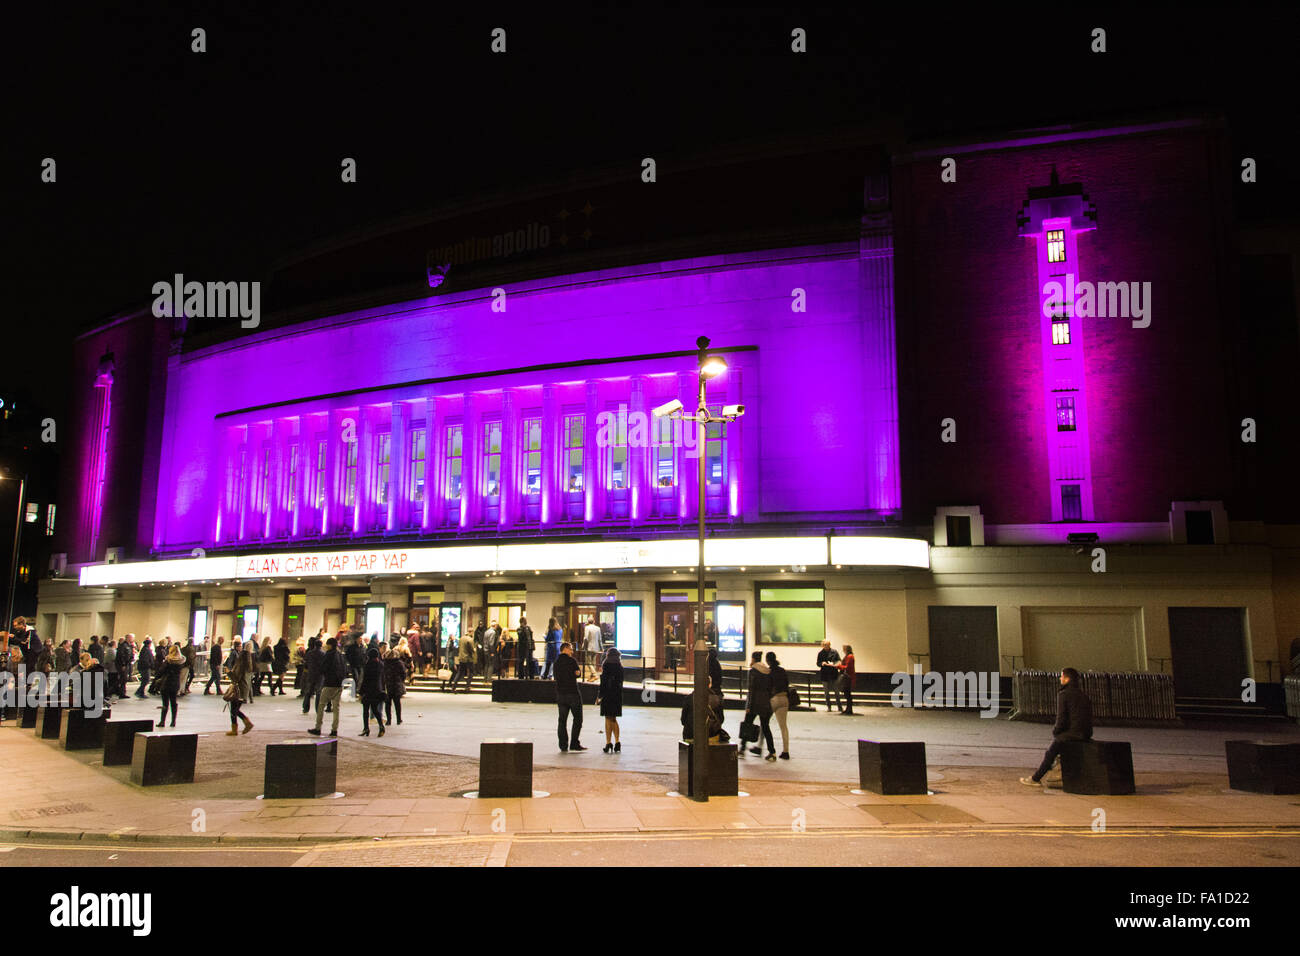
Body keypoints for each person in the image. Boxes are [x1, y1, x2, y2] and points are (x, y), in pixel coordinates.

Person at [1021, 667, 1094, 787]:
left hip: (1072, 734)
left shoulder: (1064, 694)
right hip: (1086, 733)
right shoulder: (1083, 695)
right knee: (1057, 748)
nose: (1060, 678)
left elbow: (1061, 718)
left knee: (1051, 751)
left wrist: (1056, 732)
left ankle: (1035, 778)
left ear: (1067, 679)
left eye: (1062, 676)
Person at [742, 651, 777, 761]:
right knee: (765, 727)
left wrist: (748, 706)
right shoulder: (768, 671)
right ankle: (772, 752)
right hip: (766, 703)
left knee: (747, 724)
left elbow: (751, 689)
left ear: (753, 659)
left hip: (755, 703)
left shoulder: (753, 671)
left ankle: (742, 748)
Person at [308, 637, 346, 736]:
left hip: (329, 683)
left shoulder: (329, 654)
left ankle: (318, 727)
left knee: (321, 705)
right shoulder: (340, 654)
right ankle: (334, 730)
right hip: (339, 684)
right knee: (336, 708)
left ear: (330, 645)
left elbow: (323, 668)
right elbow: (344, 668)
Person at [554, 642, 586, 752]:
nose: (572, 652)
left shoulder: (556, 662)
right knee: (577, 719)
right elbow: (577, 673)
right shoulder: (572, 661)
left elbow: (556, 677)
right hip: (572, 693)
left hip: (561, 694)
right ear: (565, 649)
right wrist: (574, 674)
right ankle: (574, 743)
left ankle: (563, 745)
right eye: (571, 649)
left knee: (562, 720)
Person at [598, 646, 624, 753]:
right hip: (617, 695)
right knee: (613, 718)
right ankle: (617, 742)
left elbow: (603, 682)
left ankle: (608, 743)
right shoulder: (620, 667)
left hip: (607, 695)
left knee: (608, 718)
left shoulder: (606, 665)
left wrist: (599, 696)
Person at [224, 646, 254, 736]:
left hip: (238, 690)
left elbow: (236, 678)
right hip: (244, 690)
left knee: (234, 710)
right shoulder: (249, 666)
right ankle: (242, 725)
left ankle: (243, 725)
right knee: (235, 710)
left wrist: (228, 672)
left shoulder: (241, 666)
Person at [767, 651, 791, 759]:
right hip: (784, 698)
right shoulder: (782, 671)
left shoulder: (769, 671)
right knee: (783, 727)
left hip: (774, 699)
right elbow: (787, 684)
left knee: (765, 723)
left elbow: (768, 686)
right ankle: (786, 751)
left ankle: (766, 749)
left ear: (767, 660)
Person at [358, 646, 386, 737]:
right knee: (375, 710)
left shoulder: (368, 664)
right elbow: (382, 678)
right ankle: (381, 726)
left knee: (366, 710)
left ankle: (366, 728)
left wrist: (361, 692)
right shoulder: (381, 664)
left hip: (368, 691)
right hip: (377, 690)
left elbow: (365, 679)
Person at [157, 645, 184, 727]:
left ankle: (162, 721)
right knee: (174, 702)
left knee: (165, 703)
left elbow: (161, 671)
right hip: (175, 683)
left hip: (166, 682)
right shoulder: (181, 661)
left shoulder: (168, 660)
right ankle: (173, 721)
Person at [383, 645, 407, 726]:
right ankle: (398, 719)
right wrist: (401, 681)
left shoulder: (385, 663)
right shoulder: (399, 663)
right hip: (397, 684)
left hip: (388, 685)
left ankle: (389, 720)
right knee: (397, 703)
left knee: (387, 703)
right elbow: (403, 674)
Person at [816, 639, 842, 712]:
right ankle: (829, 706)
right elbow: (818, 663)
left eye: (827, 645)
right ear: (823, 645)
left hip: (833, 673)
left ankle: (839, 706)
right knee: (826, 692)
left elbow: (839, 660)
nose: (826, 646)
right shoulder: (820, 653)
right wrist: (822, 663)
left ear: (829, 645)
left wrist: (834, 664)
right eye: (825, 645)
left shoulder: (834, 652)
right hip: (824, 674)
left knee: (836, 691)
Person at [301, 637, 324, 715]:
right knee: (318, 692)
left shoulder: (310, 653)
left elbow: (306, 663)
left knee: (308, 692)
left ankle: (305, 708)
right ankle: (318, 709)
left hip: (311, 674)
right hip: (320, 674)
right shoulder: (323, 654)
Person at [835, 644, 856, 715]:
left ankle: (849, 709)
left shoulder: (850, 656)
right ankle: (848, 709)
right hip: (848, 676)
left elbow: (847, 667)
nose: (843, 650)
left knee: (848, 694)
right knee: (847, 694)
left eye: (844, 649)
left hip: (848, 677)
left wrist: (839, 666)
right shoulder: (848, 656)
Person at [582, 616, 603, 680]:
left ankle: (594, 674)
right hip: (596, 647)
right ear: (594, 621)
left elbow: (586, 638)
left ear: (588, 622)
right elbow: (600, 639)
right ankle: (592, 676)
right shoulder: (598, 628)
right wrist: (601, 647)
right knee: (593, 662)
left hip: (589, 647)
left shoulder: (587, 628)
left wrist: (584, 646)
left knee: (588, 662)